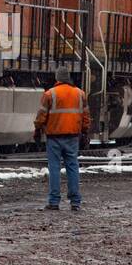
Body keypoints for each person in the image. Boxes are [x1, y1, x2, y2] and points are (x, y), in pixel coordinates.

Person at [33, 64, 91, 211]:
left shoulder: (49, 94)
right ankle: (75, 202)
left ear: (57, 78)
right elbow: (85, 116)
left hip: (54, 137)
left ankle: (53, 202)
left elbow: (41, 115)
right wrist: (85, 132)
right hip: (72, 136)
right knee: (73, 167)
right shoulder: (80, 94)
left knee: (54, 168)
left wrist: (37, 129)